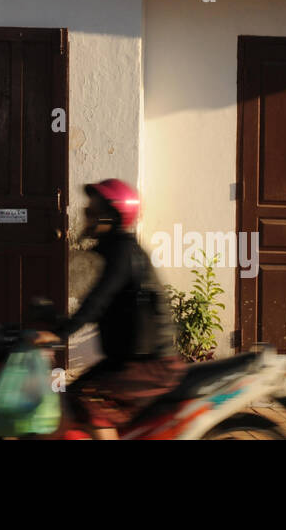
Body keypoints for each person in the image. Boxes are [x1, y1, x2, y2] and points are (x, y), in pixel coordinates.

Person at [54, 179, 186, 439]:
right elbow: (96, 302)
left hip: (150, 365)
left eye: (93, 212)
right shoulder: (114, 249)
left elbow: (96, 303)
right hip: (124, 362)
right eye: (87, 212)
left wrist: (58, 335)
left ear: (112, 216)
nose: (87, 218)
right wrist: (52, 322)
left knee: (92, 403)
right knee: (66, 401)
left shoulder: (122, 252)